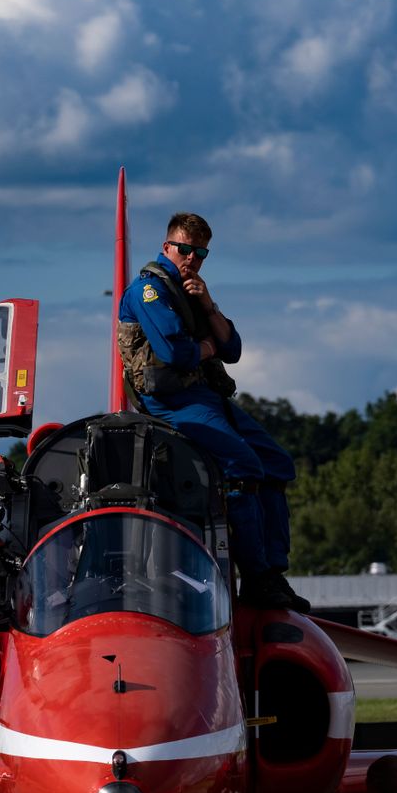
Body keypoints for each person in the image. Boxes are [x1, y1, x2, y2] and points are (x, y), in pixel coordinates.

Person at [117, 212, 309, 613]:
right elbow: (176, 353)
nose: (192, 258)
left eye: (200, 253)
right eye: (185, 249)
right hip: (171, 404)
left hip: (203, 396)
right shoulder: (149, 291)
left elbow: (233, 348)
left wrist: (207, 303)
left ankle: (273, 573)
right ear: (168, 245)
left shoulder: (190, 291)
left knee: (276, 464)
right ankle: (255, 577)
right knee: (243, 468)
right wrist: (207, 347)